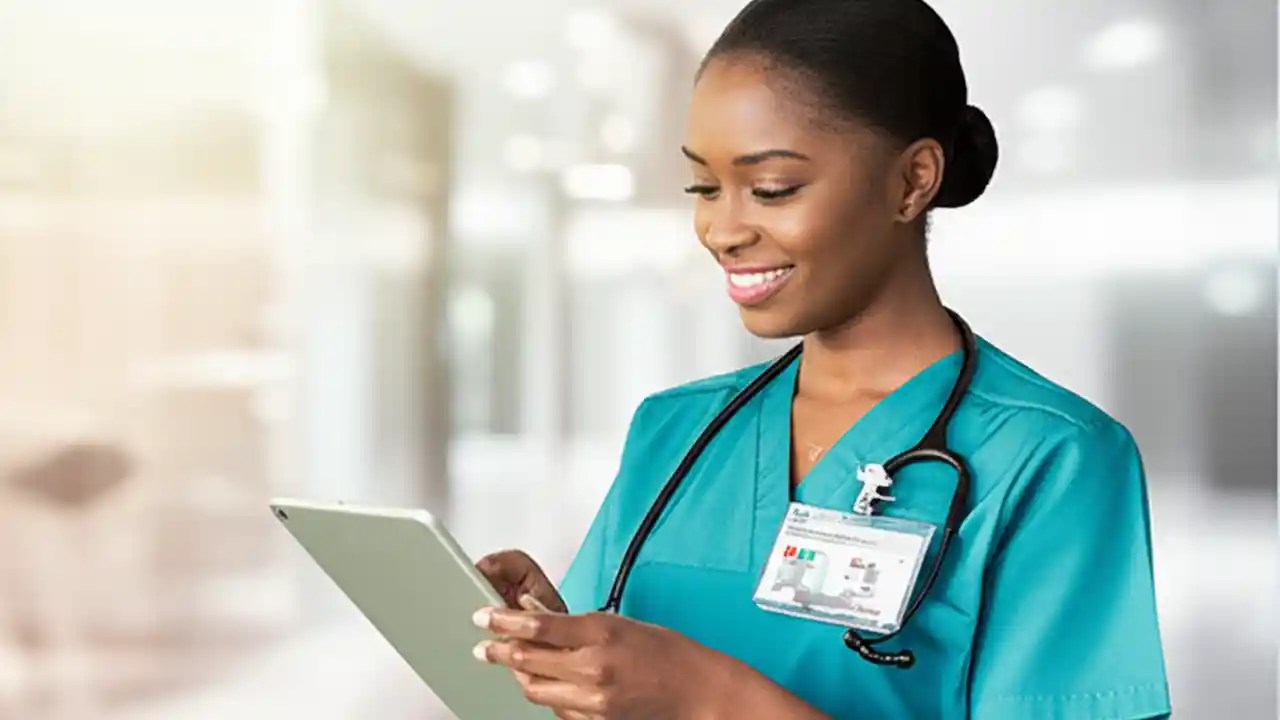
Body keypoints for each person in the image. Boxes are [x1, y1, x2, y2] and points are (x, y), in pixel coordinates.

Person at [471, 0, 1172, 717]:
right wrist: (557, 656)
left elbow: (680, 688)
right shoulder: (675, 431)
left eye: (772, 189)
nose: (721, 229)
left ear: (911, 181)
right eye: (704, 187)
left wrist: (708, 696)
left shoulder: (1053, 460)